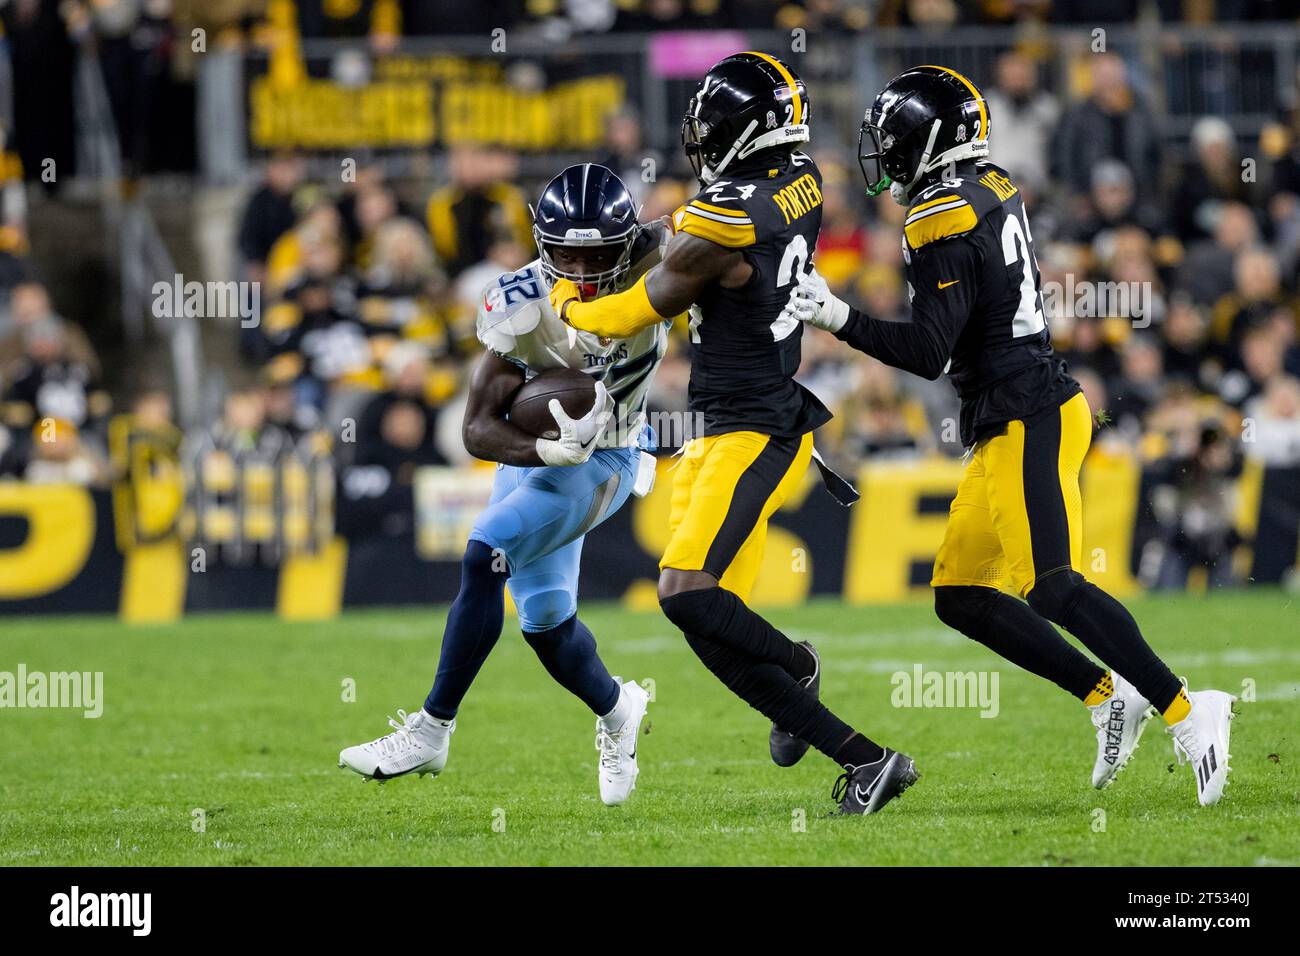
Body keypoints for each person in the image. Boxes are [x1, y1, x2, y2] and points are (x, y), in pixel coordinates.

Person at [784, 65, 1238, 807]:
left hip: (1028, 409)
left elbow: (928, 353)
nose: (889, 159)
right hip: (1014, 411)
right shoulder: (991, 184)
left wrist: (837, 317)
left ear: (930, 143)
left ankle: (1187, 709)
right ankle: (1104, 695)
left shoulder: (938, 215)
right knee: (961, 594)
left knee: (1054, 586)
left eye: (896, 143)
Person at [549, 53, 917, 815]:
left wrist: (567, 297)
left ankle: (804, 670)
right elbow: (689, 231)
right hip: (738, 424)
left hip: (755, 428)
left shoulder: (728, 219)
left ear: (743, 134)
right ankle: (861, 758)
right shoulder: (799, 181)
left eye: (711, 129)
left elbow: (632, 308)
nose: (700, 140)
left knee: (683, 593)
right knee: (710, 624)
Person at [339, 165, 664, 807]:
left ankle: (431, 730)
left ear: (623, 242)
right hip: (543, 454)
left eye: (596, 251)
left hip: (611, 458)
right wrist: (544, 446)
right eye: (565, 251)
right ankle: (619, 708)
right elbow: (476, 429)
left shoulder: (660, 270)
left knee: (482, 550)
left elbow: (709, 234)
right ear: (541, 245)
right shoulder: (519, 302)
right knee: (545, 625)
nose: (581, 266)